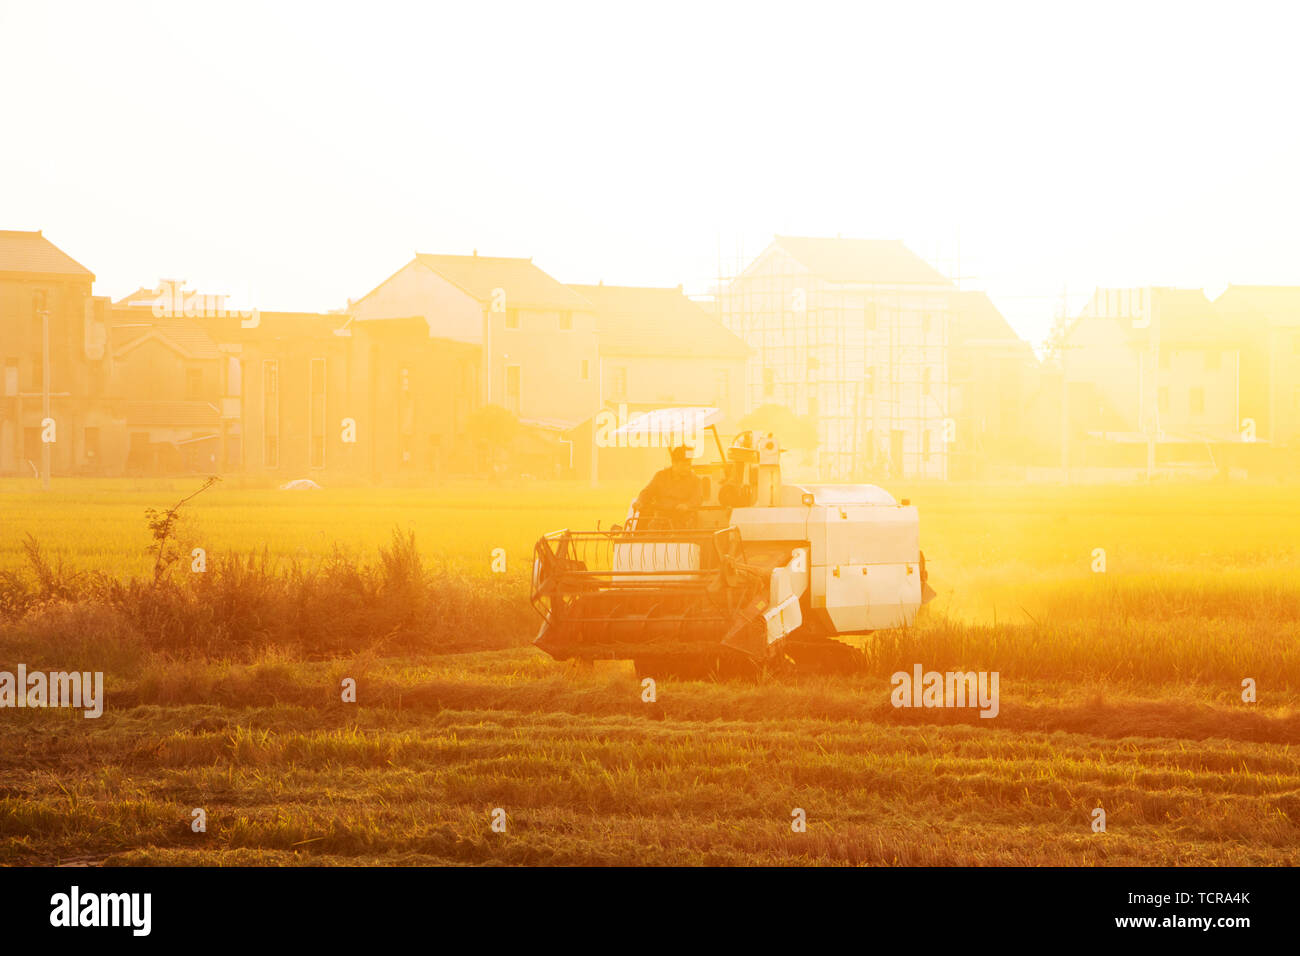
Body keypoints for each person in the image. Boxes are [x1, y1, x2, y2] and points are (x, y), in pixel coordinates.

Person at [633, 446, 703, 529]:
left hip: (683, 524)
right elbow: (647, 492)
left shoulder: (695, 480)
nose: (687, 468)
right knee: (649, 538)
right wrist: (640, 501)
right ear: (674, 463)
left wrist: (687, 505)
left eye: (689, 464)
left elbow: (697, 499)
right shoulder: (660, 476)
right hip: (659, 520)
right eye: (684, 465)